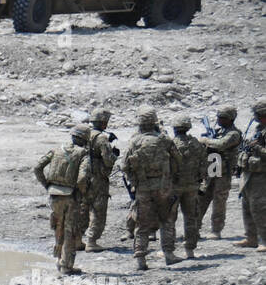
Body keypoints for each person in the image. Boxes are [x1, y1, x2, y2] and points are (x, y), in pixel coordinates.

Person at [120, 108, 181, 270]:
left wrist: (134, 181)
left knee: (142, 223)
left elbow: (124, 166)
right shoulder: (165, 140)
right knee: (167, 220)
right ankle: (169, 255)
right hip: (163, 187)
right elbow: (178, 162)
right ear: (154, 122)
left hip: (143, 188)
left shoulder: (134, 142)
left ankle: (141, 259)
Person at [33, 124, 93, 275]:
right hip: (71, 196)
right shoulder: (83, 154)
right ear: (85, 139)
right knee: (70, 230)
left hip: (54, 195)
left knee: (57, 227)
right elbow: (82, 177)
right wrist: (82, 191)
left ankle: (58, 259)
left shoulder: (56, 150)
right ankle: (66, 265)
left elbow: (37, 168)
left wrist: (47, 185)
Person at [197, 105, 242, 240]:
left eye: (223, 118)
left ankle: (216, 230)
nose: (219, 120)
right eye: (219, 117)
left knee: (219, 199)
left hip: (224, 169)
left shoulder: (234, 134)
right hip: (213, 165)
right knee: (203, 196)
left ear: (231, 119)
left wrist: (206, 141)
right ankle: (194, 227)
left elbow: (221, 144)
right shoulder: (219, 131)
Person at [170, 116, 208, 259]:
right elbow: (205, 164)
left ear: (174, 129)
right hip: (192, 186)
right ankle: (190, 250)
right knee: (191, 218)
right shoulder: (196, 144)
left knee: (169, 218)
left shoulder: (171, 144)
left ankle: (170, 250)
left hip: (174, 187)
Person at [81, 109, 118, 253]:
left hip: (83, 176)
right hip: (98, 178)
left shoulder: (83, 134)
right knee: (98, 210)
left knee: (83, 207)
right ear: (103, 122)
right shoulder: (101, 138)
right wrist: (114, 154)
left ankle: (77, 239)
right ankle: (91, 241)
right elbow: (108, 160)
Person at [234, 98, 266, 252]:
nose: (255, 117)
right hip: (250, 174)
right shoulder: (259, 129)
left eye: (258, 114)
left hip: (262, 176)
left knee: (260, 208)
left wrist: (258, 148)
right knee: (247, 205)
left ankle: (264, 241)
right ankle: (251, 237)